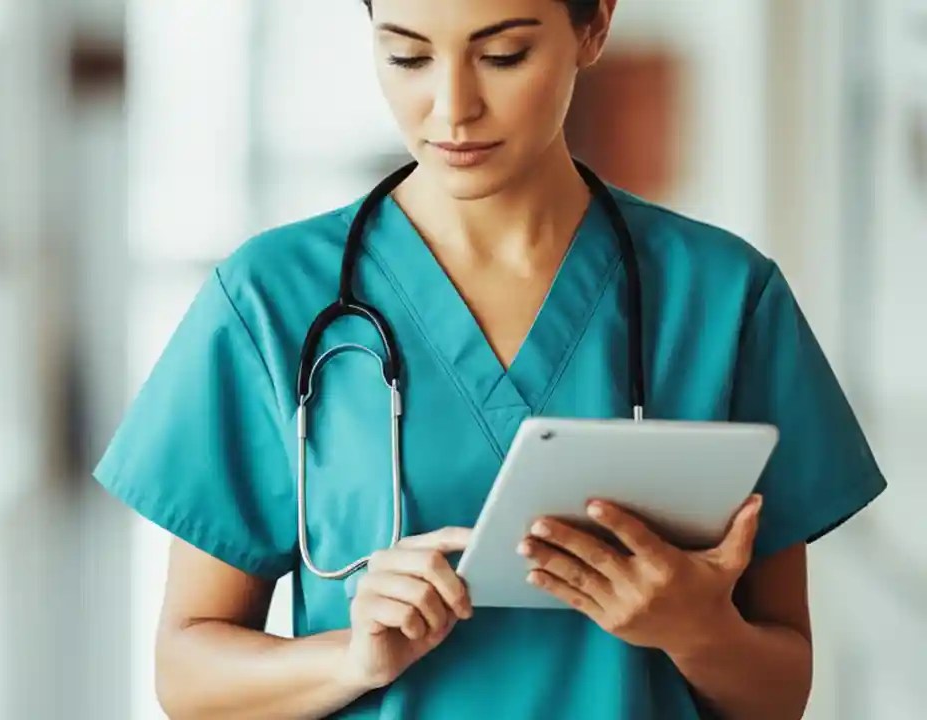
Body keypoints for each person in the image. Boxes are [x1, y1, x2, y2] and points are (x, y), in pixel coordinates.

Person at [92, 0, 887, 717]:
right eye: (406, 56)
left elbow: (781, 691)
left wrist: (697, 629)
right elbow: (187, 675)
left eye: (502, 55)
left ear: (594, 25)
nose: (452, 107)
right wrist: (352, 660)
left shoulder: (723, 298)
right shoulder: (270, 299)